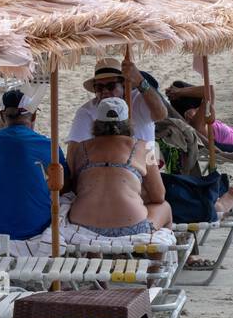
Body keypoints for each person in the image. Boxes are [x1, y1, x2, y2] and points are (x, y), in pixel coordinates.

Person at [64, 98, 171, 235]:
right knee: (165, 207)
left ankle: (94, 254)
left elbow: (74, 189)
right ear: (128, 122)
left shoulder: (80, 148)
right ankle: (154, 256)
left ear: (96, 123)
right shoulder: (147, 147)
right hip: (132, 227)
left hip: (82, 227)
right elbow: (159, 196)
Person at [0, 91, 67, 240]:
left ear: (2, 116)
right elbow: (65, 184)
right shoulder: (48, 145)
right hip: (34, 227)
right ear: (33, 116)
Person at [67, 56, 166, 153]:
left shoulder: (139, 99)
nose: (105, 91)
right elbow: (74, 150)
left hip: (145, 165)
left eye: (111, 86)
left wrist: (140, 81)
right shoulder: (87, 111)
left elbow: (161, 115)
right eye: (99, 87)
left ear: (123, 85)